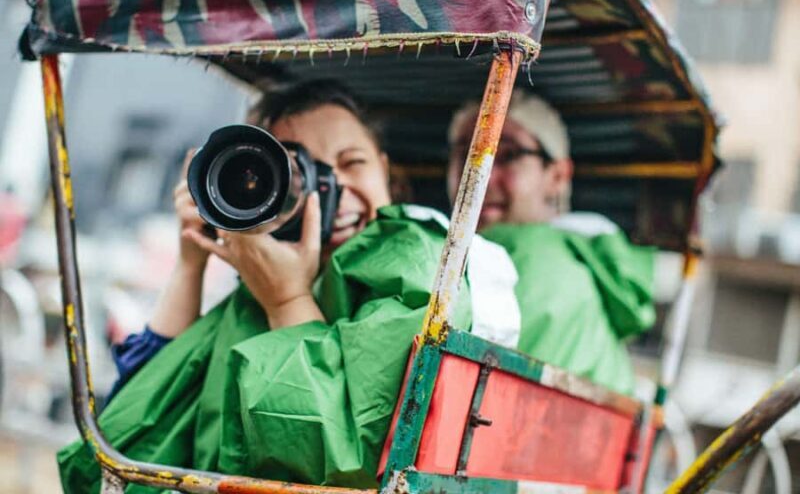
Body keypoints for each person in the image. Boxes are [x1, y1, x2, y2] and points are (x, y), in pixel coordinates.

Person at [58, 80, 519, 492]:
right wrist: (191, 262)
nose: (330, 188)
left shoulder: (416, 257)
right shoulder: (257, 282)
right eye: (300, 171)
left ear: (386, 172)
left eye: (351, 162)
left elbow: (337, 460)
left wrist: (287, 300)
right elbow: (123, 436)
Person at [447, 92, 656, 395]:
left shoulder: (534, 258)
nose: (480, 176)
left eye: (507, 155)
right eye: (466, 155)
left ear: (557, 176)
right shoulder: (577, 259)